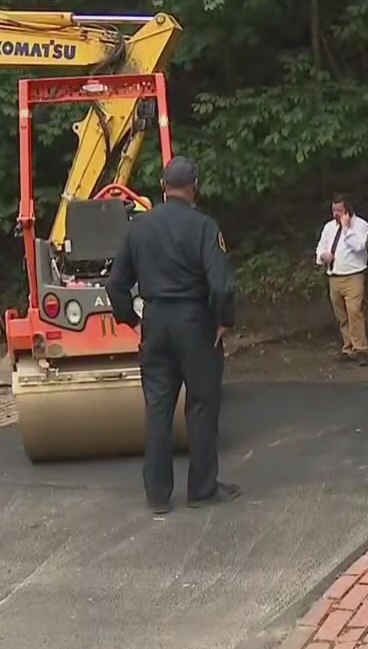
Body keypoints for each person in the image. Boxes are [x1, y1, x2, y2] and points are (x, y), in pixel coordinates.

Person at [105, 156, 240, 514]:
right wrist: (224, 320)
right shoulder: (205, 227)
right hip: (196, 325)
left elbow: (116, 284)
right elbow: (221, 287)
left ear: (163, 187)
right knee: (201, 406)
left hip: (155, 324)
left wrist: (132, 322)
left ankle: (157, 495)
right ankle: (201, 489)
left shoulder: (138, 228)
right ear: (194, 185)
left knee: (159, 409)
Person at [315, 193, 368, 365]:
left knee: (354, 311)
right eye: (333, 210)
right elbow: (320, 247)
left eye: (339, 210)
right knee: (342, 315)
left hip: (353, 275)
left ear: (347, 211)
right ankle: (348, 347)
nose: (335, 214)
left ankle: (360, 349)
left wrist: (347, 229)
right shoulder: (329, 227)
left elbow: (359, 246)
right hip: (334, 276)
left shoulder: (361, 226)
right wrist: (322, 256)